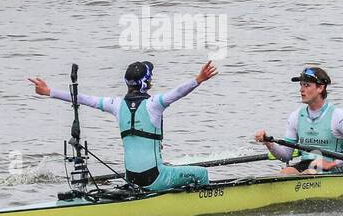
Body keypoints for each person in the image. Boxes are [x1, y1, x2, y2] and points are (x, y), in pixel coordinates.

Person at [29, 60, 218, 191]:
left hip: (132, 178)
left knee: (165, 165)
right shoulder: (154, 105)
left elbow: (84, 98)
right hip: (154, 178)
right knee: (201, 173)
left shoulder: (116, 105)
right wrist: (198, 79)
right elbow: (178, 92)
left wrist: (49, 91)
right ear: (146, 82)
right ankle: (199, 203)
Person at [255, 66, 343, 174]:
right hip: (306, 164)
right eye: (301, 85)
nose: (301, 90)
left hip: (331, 167)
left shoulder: (338, 116)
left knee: (310, 172)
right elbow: (286, 156)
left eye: (307, 85)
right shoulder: (296, 116)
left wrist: (332, 164)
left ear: (320, 88)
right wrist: (269, 144)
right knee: (286, 171)